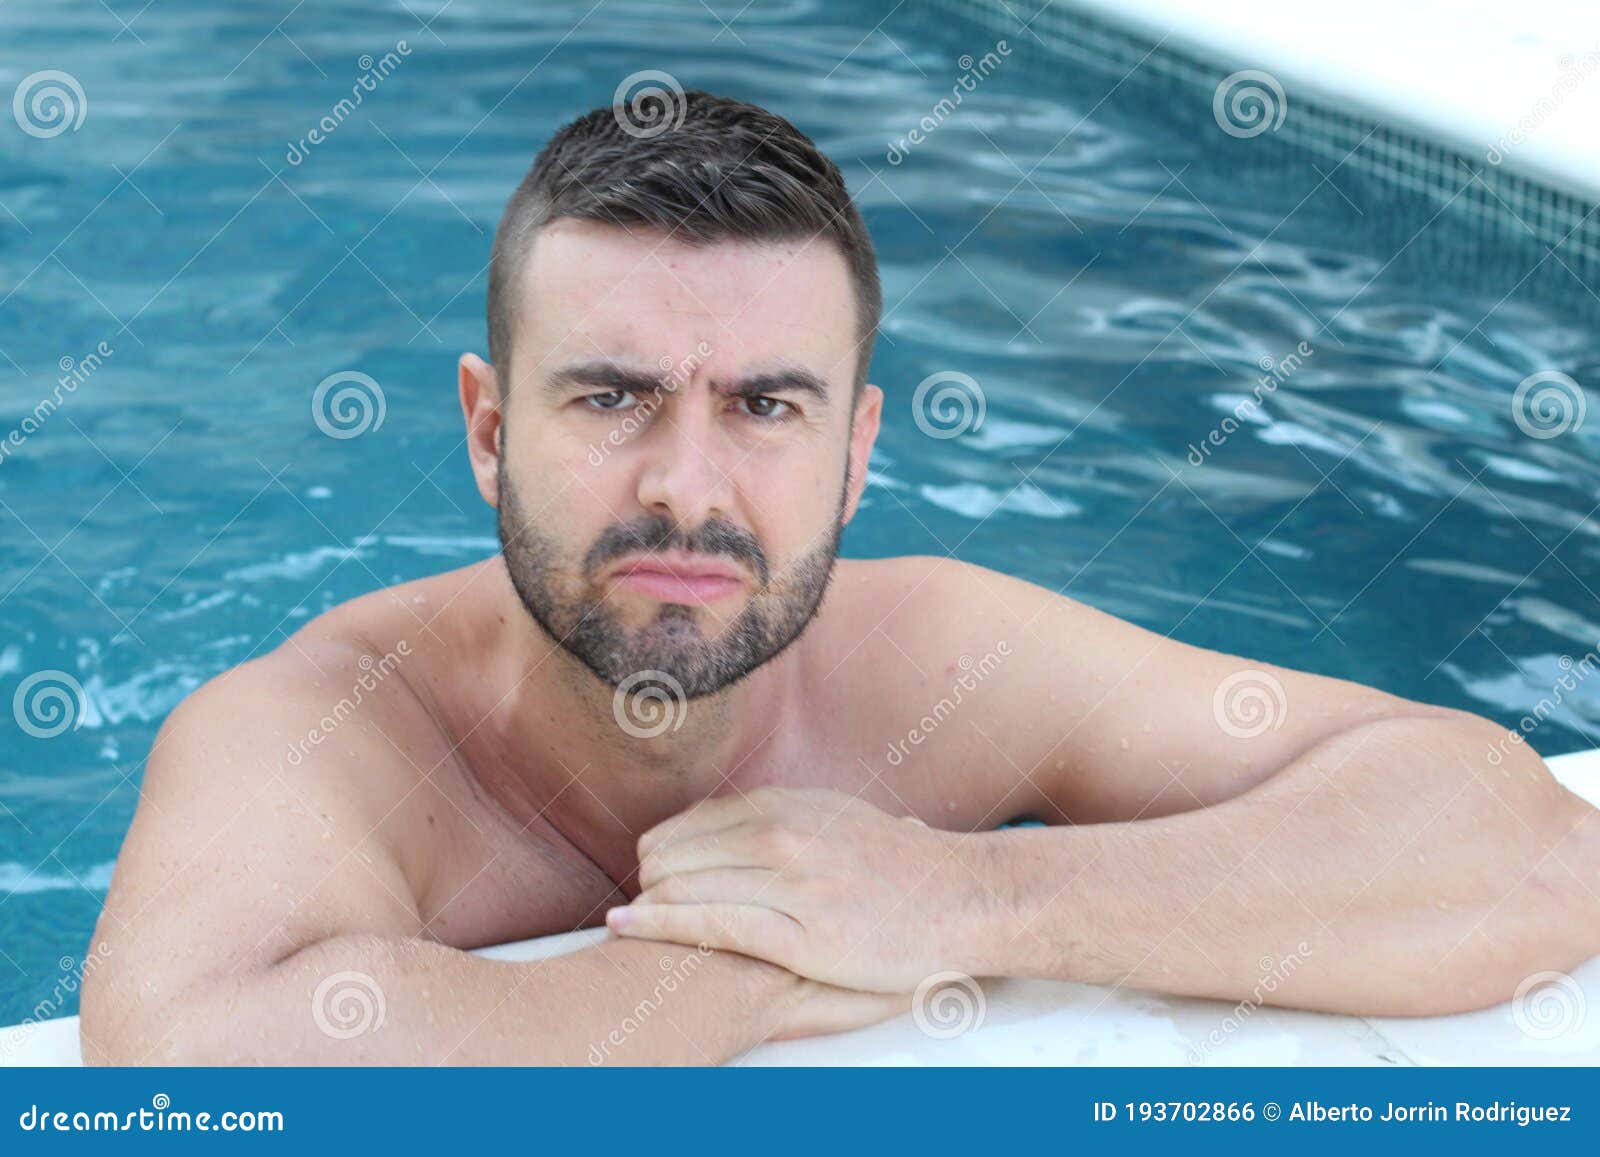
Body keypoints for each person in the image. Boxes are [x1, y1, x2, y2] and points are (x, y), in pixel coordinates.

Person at [81, 90, 1599, 1065]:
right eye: (611, 397)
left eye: (766, 405)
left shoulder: (941, 664)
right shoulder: (327, 731)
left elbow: (1533, 853)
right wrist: (743, 980)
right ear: (487, 429)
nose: (688, 485)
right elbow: (183, 1063)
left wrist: (967, 894)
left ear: (861, 452)